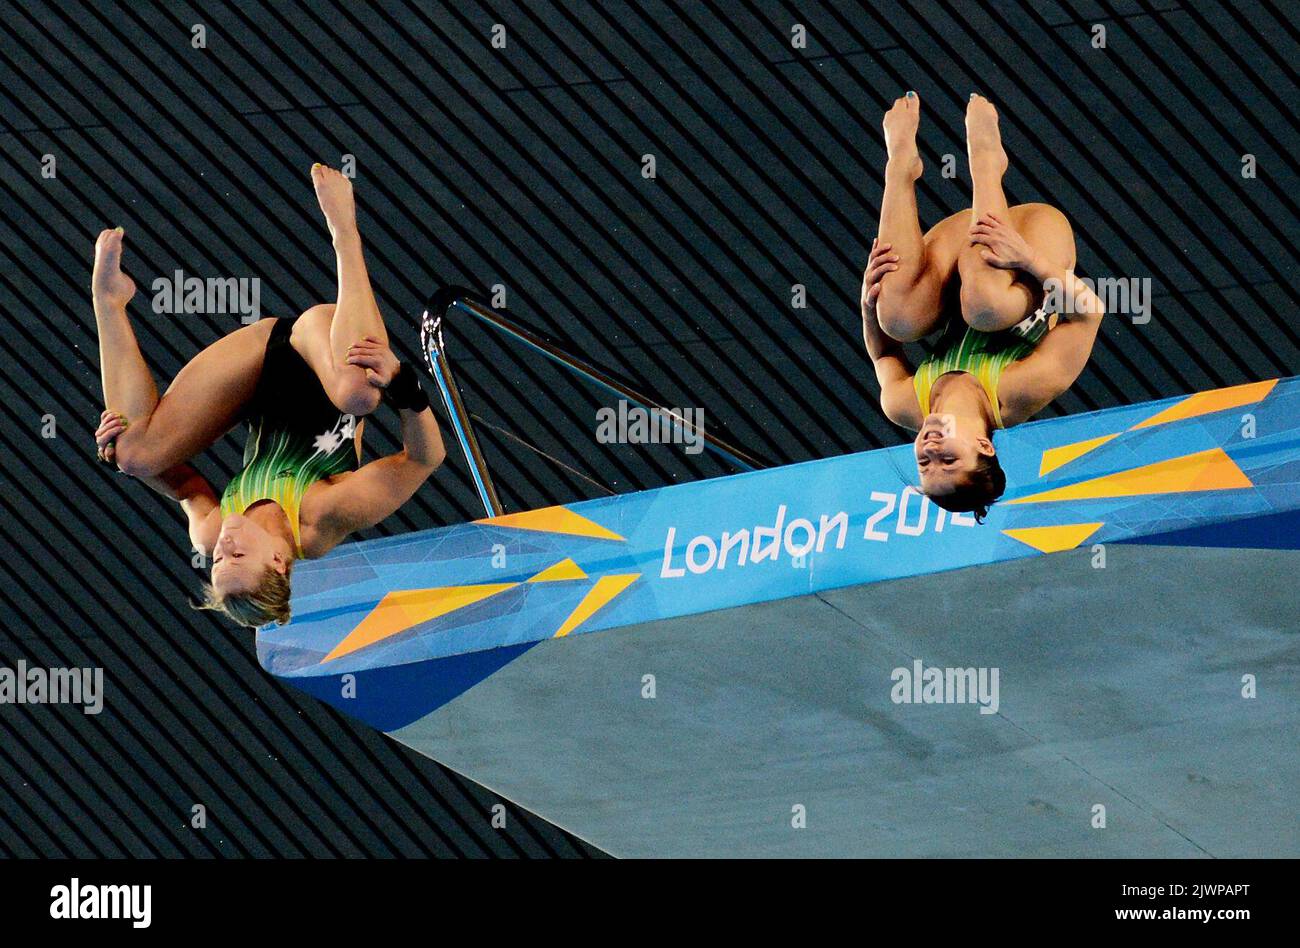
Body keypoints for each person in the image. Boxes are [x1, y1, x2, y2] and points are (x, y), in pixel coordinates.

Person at [91, 164, 446, 627]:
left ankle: (109, 302)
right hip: (326, 350)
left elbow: (183, 484)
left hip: (257, 368)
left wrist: (114, 455)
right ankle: (345, 232)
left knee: (136, 454)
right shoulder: (321, 520)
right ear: (279, 562)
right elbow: (424, 458)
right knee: (359, 394)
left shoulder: (211, 531)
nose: (222, 551)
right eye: (236, 558)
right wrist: (402, 385)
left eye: (217, 564)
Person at [860, 93, 1104, 520]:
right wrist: (1028, 259)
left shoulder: (905, 405)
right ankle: (987, 162)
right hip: (1031, 238)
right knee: (986, 307)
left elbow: (882, 352)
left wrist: (868, 302)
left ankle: (900, 166)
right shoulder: (1016, 393)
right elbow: (1088, 312)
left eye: (924, 463)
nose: (931, 451)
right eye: (948, 460)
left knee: (895, 317)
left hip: (960, 244)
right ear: (983, 446)